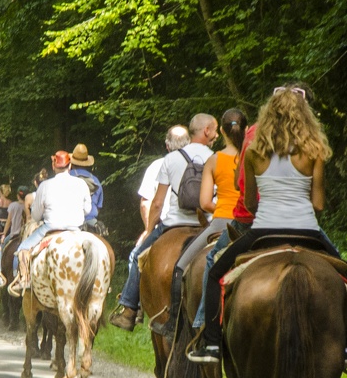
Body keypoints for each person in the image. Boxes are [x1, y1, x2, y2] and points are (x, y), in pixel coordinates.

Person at [188, 85, 347, 374]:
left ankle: (210, 343)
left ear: (268, 116)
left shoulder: (254, 152)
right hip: (307, 231)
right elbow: (319, 204)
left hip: (263, 231)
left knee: (215, 273)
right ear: (304, 116)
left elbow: (248, 202)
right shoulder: (314, 151)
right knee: (344, 277)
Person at [108, 113, 219, 331]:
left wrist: (148, 230)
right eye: (215, 130)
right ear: (206, 131)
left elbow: (157, 203)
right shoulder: (216, 157)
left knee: (139, 256)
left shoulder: (170, 160)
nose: (216, 135)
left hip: (173, 225)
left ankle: (130, 309)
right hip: (206, 227)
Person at [155, 108, 246, 337]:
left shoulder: (215, 160)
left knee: (180, 267)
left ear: (223, 132)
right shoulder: (254, 156)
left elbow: (205, 203)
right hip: (251, 222)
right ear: (245, 129)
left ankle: (178, 322)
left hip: (222, 222)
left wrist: (225, 209)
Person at [7, 151, 95, 296]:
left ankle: (23, 280)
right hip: (76, 229)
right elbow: (87, 209)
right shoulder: (81, 184)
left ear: (54, 166)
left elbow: (35, 215)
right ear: (70, 165)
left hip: (50, 228)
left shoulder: (45, 186)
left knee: (23, 248)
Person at [67, 144, 104, 227]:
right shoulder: (96, 181)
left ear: (71, 163)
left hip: (70, 222)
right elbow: (98, 207)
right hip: (91, 221)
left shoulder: (66, 177)